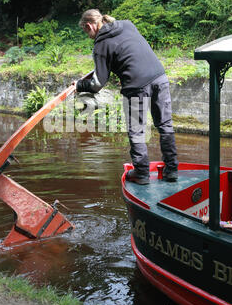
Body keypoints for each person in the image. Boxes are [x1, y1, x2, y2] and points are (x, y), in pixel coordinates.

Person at [75, 9, 178, 185]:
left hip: (136, 85)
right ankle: (172, 170)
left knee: (137, 130)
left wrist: (78, 85)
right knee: (165, 125)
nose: (89, 36)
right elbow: (129, 52)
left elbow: (97, 84)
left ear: (89, 25)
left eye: (87, 32)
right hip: (160, 77)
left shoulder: (101, 45)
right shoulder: (127, 25)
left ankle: (142, 173)